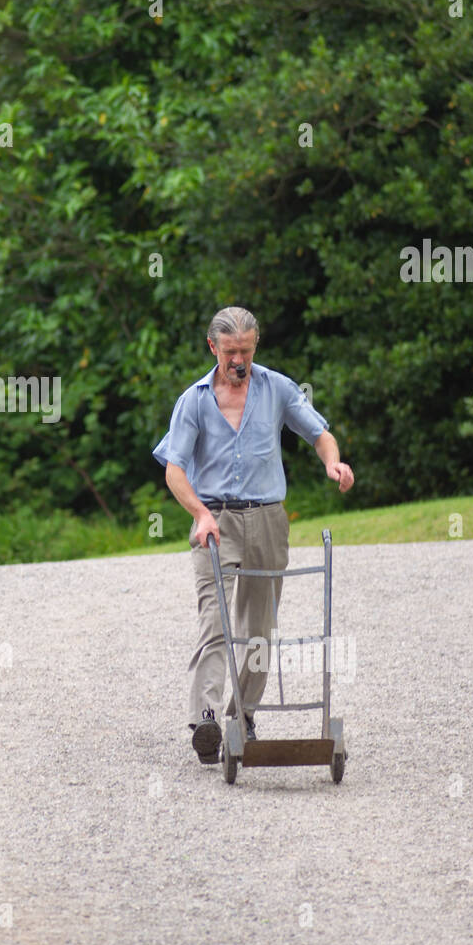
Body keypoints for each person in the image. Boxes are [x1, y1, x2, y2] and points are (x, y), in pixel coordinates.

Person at [152, 306, 354, 765]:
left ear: (255, 345)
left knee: (260, 630)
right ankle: (206, 720)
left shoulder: (277, 388)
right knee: (215, 623)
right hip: (214, 523)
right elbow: (174, 470)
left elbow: (319, 433)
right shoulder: (193, 401)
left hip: (267, 520)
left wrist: (333, 463)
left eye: (245, 350)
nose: (238, 361)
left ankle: (241, 716)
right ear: (212, 347)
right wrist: (200, 514)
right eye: (230, 352)